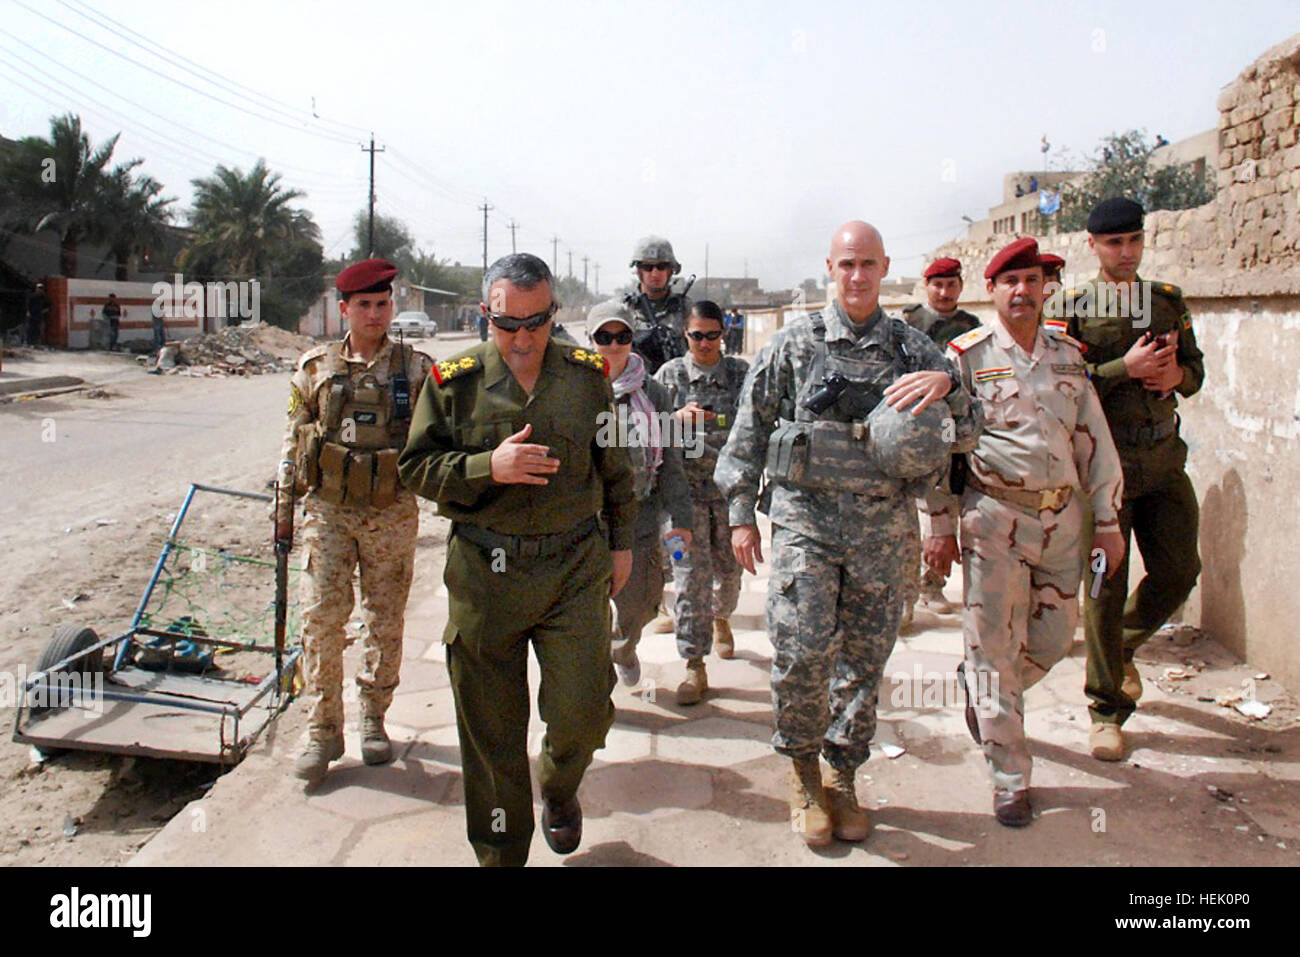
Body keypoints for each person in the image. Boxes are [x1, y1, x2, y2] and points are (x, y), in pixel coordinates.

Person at [716, 220, 981, 846]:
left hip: (883, 530)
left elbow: (965, 435)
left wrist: (950, 386)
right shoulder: (793, 346)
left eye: (868, 264)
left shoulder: (917, 350)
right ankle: (803, 769)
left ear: (885, 268)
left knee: (865, 659)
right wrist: (737, 515)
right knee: (802, 649)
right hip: (805, 523)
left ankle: (843, 773)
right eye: (846, 265)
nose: (857, 276)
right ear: (830, 269)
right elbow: (747, 432)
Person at [398, 252, 637, 867]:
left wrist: (622, 542)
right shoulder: (453, 381)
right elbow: (415, 468)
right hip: (487, 576)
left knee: (584, 710)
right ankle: (501, 855)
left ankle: (559, 786)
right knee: (492, 734)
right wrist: (487, 467)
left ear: (553, 314)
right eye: (509, 325)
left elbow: (615, 466)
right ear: (486, 315)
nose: (525, 338)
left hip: (573, 569)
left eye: (539, 322)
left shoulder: (585, 375)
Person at [922, 237, 1125, 828]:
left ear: (1044, 287)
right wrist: (937, 525)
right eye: (1010, 282)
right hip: (993, 519)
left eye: (1032, 281)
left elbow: (1096, 444)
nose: (1022, 291)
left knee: (1055, 639)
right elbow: (942, 448)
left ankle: (981, 690)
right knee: (994, 646)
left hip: (1062, 522)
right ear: (994, 290)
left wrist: (1108, 521)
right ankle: (1010, 777)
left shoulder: (1068, 356)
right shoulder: (965, 356)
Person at [275, 257, 432, 785]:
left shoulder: (416, 368)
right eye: (363, 304)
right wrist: (282, 510)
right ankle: (322, 727)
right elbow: (293, 437)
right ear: (343, 309)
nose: (374, 313)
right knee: (321, 619)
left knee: (384, 619)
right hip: (329, 512)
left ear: (393, 306)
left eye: (382, 303)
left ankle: (373, 717)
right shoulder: (313, 368)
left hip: (391, 512)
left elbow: (438, 442)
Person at [1064, 197, 1205, 762]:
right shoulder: (1070, 306)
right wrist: (1126, 368)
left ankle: (1118, 647)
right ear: (1093, 246)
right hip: (1106, 470)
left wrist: (1178, 374)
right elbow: (1063, 386)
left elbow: (1195, 369)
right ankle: (1105, 710)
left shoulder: (1166, 302)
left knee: (1179, 569)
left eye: (1134, 241)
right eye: (1114, 243)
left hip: (1164, 462)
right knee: (1103, 584)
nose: (1126, 253)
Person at [584, 300, 693, 689]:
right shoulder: (574, 387)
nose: (613, 345)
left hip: (638, 520)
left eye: (622, 336)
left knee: (635, 607)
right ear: (590, 339)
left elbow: (671, 463)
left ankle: (624, 648)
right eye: (604, 337)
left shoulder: (655, 395)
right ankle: (593, 684)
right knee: (583, 613)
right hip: (585, 521)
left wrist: (681, 520)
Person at [654, 301, 750, 704]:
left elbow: (752, 423)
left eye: (713, 335)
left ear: (723, 333)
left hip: (728, 496)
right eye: (697, 336)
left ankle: (722, 618)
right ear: (685, 336)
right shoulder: (669, 376)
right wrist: (674, 419)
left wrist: (717, 423)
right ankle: (694, 664)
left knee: (729, 576)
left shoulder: (741, 375)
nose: (705, 343)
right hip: (683, 498)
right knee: (688, 579)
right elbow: (642, 427)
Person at [900, 258, 983, 622]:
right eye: (938, 285)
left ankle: (933, 583)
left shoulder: (971, 327)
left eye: (951, 285)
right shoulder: (911, 323)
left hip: (956, 424)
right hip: (918, 423)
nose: (945, 292)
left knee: (948, 502)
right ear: (927, 285)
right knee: (913, 513)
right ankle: (907, 592)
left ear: (960, 286)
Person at [622, 235, 692, 375]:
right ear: (639, 271)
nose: (655, 273)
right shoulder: (623, 310)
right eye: (648, 267)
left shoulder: (686, 309)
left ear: (671, 270)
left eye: (661, 266)